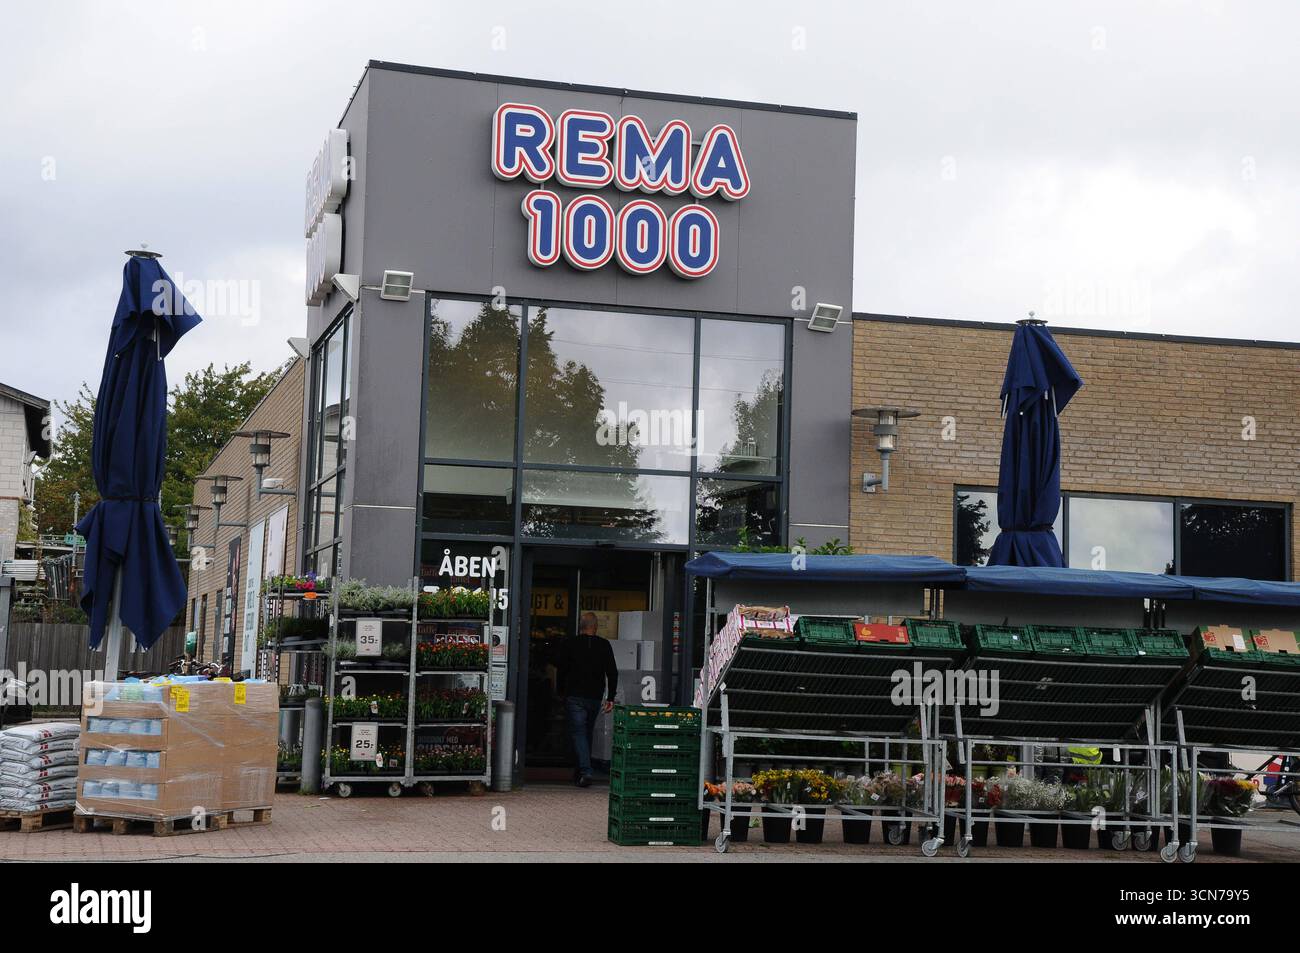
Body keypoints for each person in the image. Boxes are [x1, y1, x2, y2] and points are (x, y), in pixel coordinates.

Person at [558, 612, 619, 787]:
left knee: (578, 734)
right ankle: (581, 772)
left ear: (581, 626)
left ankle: (585, 771)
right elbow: (612, 672)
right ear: (596, 626)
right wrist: (611, 697)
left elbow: (562, 668)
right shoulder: (604, 645)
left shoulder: (571, 644)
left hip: (575, 695)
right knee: (586, 734)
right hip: (594, 696)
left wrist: (561, 690)